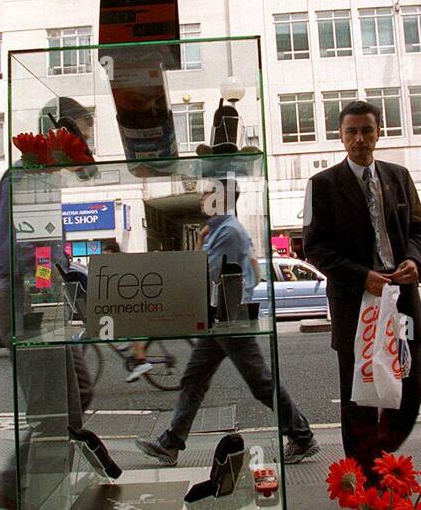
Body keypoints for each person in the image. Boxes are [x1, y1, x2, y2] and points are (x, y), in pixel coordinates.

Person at [0, 96, 114, 510]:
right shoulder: (26, 179)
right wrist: (53, 288)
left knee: (75, 392)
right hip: (29, 302)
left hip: (39, 300)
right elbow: (31, 256)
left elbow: (45, 254)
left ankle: (10, 484)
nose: (85, 143)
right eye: (81, 131)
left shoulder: (38, 179)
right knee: (53, 418)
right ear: (58, 131)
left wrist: (67, 283)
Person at [135, 178, 318, 466]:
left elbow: (205, 273)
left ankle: (302, 437)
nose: (200, 195)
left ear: (220, 198)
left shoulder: (228, 232)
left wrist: (197, 245)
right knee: (194, 378)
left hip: (231, 319)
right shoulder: (221, 230)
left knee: (261, 384)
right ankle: (170, 443)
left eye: (206, 191)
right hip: (220, 319)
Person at [303, 99, 421, 481]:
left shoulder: (399, 176)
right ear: (341, 137)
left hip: (402, 296)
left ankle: (383, 457)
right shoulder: (321, 185)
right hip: (355, 301)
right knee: (359, 394)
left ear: (378, 132)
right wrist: (361, 276)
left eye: (366, 130)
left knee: (411, 385)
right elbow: (315, 247)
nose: (359, 138)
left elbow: (420, 229)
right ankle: (365, 477)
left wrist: (415, 261)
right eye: (351, 131)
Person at [100, 240, 151, 381]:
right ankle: (128, 339)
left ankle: (142, 362)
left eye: (106, 252)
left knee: (128, 320)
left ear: (112, 251)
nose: (104, 255)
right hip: (134, 299)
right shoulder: (118, 262)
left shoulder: (122, 262)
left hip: (137, 302)